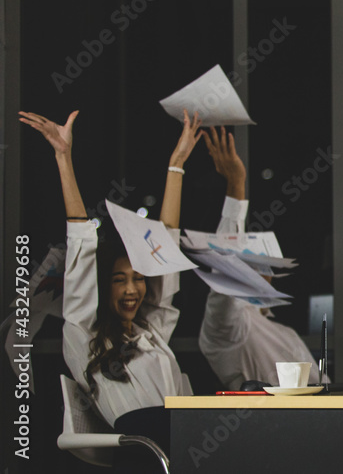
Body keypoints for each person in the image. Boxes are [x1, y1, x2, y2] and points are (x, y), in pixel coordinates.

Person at [20, 109, 202, 473]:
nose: (133, 289)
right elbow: (82, 247)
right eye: (119, 279)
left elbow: (163, 249)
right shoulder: (84, 335)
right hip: (148, 453)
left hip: (187, 441)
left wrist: (177, 165)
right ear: (103, 287)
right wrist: (63, 157)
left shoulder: (151, 332)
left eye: (138, 278)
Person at [197, 127, 324, 390]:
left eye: (264, 264)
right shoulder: (228, 329)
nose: (258, 271)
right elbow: (225, 269)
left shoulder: (285, 333)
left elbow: (322, 387)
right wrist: (235, 186)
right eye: (249, 265)